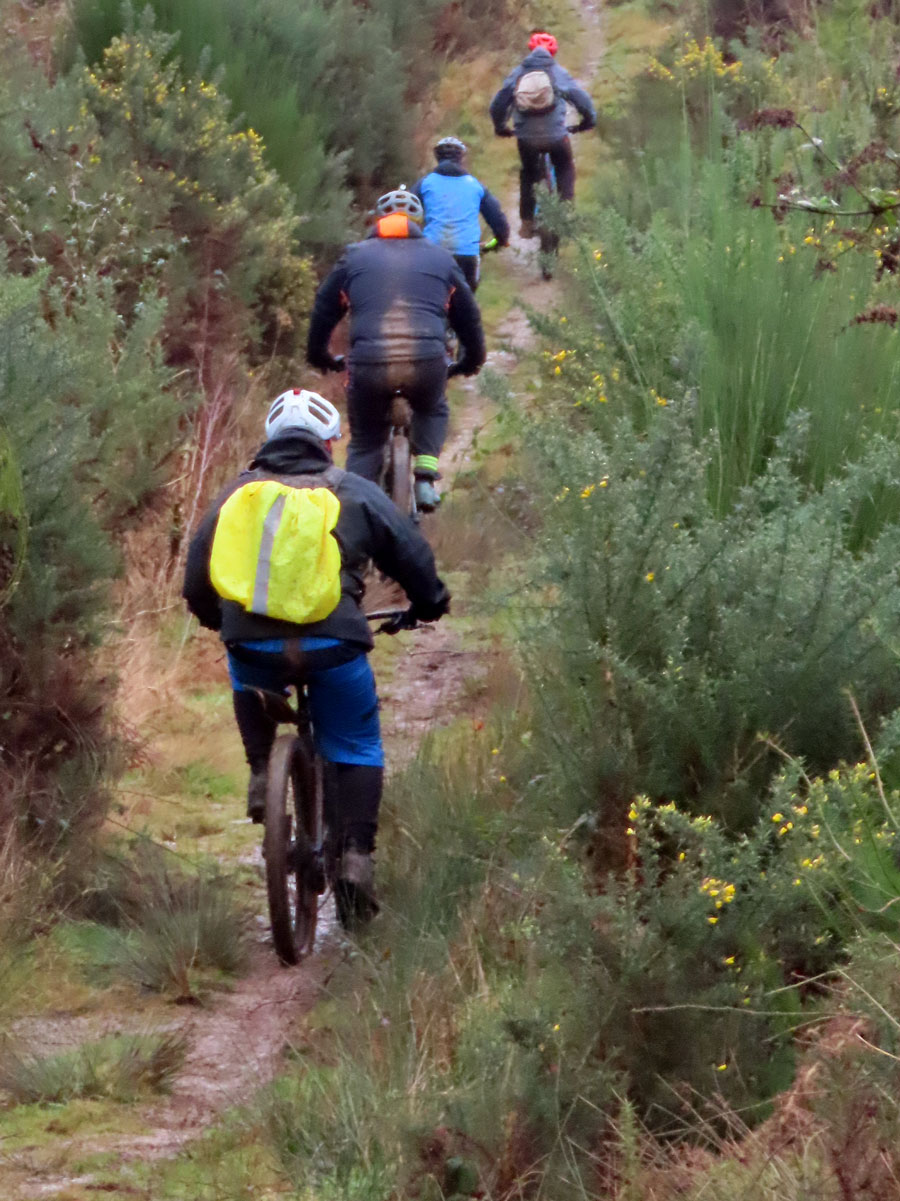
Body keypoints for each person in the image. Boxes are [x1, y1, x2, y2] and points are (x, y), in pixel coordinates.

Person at [182, 388, 450, 924]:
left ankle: (262, 770)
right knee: (357, 744)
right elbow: (410, 551)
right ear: (328, 444)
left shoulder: (234, 495)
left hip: (254, 646)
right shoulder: (353, 491)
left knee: (244, 672)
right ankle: (356, 859)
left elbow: (196, 577)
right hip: (334, 646)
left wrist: (221, 622)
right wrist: (429, 603)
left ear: (270, 441)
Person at [306, 187, 486, 512]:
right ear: (419, 222)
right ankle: (425, 476)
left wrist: (318, 354)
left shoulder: (354, 257)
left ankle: (355, 513)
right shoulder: (441, 259)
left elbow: (324, 308)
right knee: (432, 406)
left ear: (377, 220)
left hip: (369, 365)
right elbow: (467, 315)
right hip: (426, 362)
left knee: (366, 441)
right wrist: (470, 359)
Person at [489, 30, 596, 238]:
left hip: (526, 139)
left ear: (530, 50)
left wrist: (500, 127)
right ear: (553, 53)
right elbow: (582, 100)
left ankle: (527, 222)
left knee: (528, 174)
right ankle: (566, 214)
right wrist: (588, 121)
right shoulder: (558, 72)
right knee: (565, 167)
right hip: (556, 136)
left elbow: (497, 105)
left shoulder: (518, 73)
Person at [412, 136, 510, 292]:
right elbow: (498, 219)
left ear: (437, 158)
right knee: (467, 302)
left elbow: (407, 213)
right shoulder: (475, 186)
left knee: (428, 300)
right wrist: (499, 240)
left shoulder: (425, 183)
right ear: (461, 159)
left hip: (432, 252)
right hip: (467, 255)